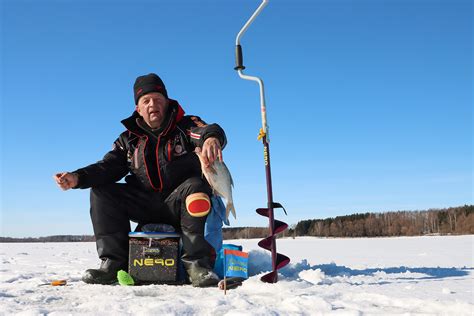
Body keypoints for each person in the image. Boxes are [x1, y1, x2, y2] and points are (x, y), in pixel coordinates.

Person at [53, 73, 226, 287]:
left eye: (158, 99)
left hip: (180, 203)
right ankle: (113, 264)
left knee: (197, 186)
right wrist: (77, 177)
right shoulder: (128, 139)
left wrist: (211, 138)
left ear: (167, 102)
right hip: (145, 204)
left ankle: (197, 266)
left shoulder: (185, 126)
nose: (153, 104)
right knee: (101, 192)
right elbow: (107, 167)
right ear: (139, 108)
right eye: (146, 101)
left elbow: (206, 130)